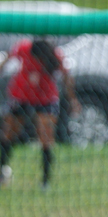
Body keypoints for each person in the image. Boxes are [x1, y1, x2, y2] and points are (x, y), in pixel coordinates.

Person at [1, 37, 78, 188]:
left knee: (46, 137)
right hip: (21, 95)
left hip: (45, 98)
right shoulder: (24, 48)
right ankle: (2, 170)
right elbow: (7, 59)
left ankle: (45, 181)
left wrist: (73, 100)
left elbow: (67, 77)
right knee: (9, 134)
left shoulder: (56, 56)